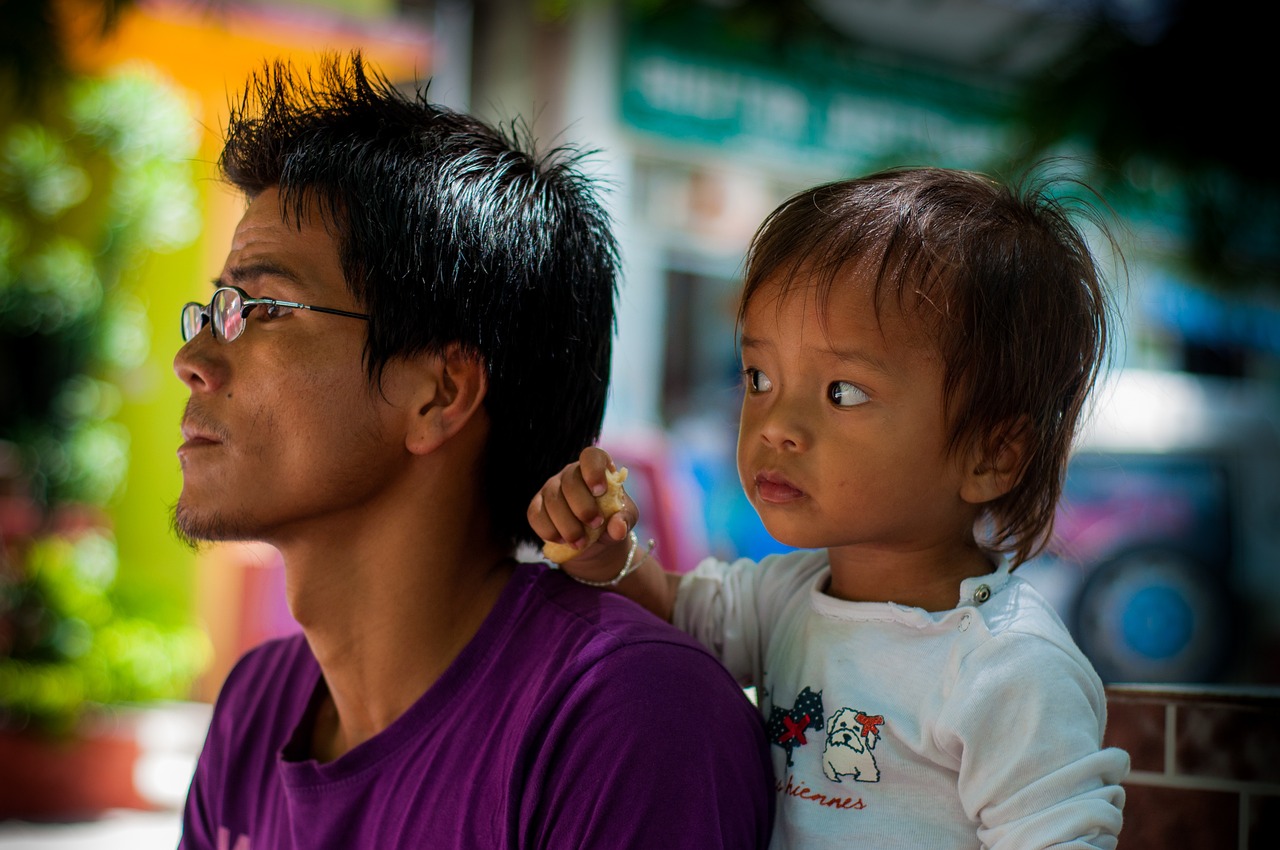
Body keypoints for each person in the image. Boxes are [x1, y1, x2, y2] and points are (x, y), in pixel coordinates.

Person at [173, 53, 773, 849]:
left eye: (262, 308)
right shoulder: (258, 701)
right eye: (214, 308)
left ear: (440, 394)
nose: (196, 358)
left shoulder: (625, 715)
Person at [530, 167, 1131, 848]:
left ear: (991, 454)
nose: (775, 424)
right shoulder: (788, 597)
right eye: (759, 378)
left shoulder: (1009, 669)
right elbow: (665, 608)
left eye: (843, 392)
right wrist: (604, 549)